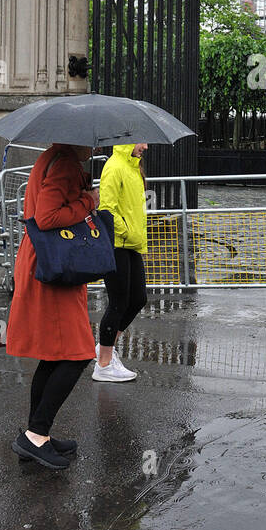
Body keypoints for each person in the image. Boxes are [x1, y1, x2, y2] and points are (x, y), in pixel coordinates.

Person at [6, 143, 99, 469]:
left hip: (43, 262)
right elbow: (46, 217)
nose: (97, 146)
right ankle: (35, 434)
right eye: (93, 140)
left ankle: (37, 435)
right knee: (79, 353)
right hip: (51, 266)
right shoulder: (64, 163)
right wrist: (88, 201)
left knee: (54, 353)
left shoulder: (56, 157)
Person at [93, 143, 148, 383]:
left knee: (138, 299)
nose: (145, 146)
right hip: (118, 244)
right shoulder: (114, 167)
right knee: (118, 302)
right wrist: (125, 232)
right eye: (141, 141)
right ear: (128, 141)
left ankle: (106, 347)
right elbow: (107, 208)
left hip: (131, 243)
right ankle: (103, 363)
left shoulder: (131, 167)